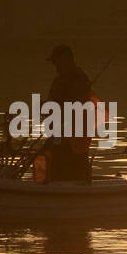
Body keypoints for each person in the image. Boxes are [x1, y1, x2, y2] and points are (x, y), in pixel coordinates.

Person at [36, 44, 93, 182]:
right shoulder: (59, 79)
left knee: (72, 166)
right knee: (53, 164)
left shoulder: (78, 79)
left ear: (65, 59)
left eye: (56, 61)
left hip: (72, 137)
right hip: (56, 134)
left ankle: (77, 188)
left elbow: (78, 106)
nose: (55, 66)